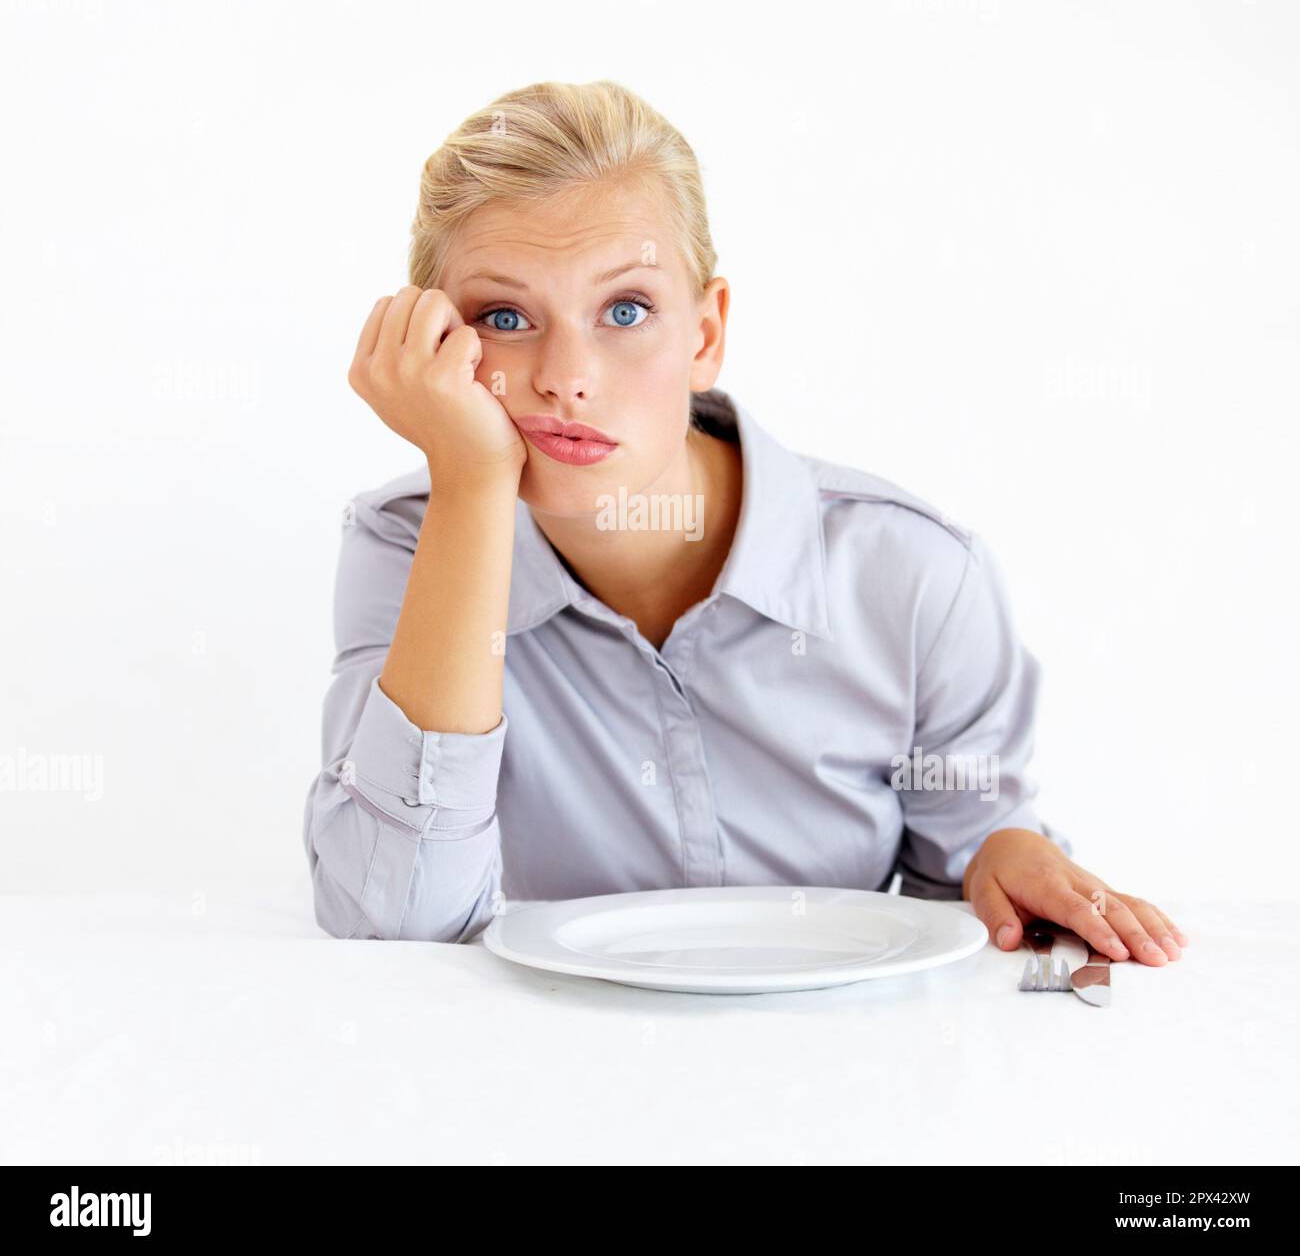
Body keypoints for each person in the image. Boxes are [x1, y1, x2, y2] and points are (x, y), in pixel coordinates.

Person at [302, 79, 1187, 967]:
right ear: (435, 346)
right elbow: (395, 926)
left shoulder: (915, 575)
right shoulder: (407, 546)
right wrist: (470, 487)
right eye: (505, 317)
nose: (568, 377)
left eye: (626, 310)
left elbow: (959, 883)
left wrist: (999, 853)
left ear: (705, 333)